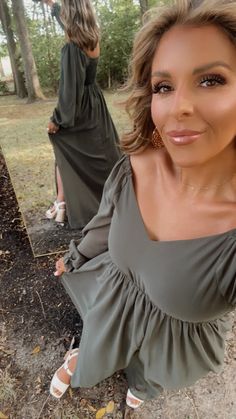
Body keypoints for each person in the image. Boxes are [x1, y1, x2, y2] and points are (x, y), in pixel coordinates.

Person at [49, 0, 236, 410]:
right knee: (101, 334)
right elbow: (103, 223)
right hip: (113, 301)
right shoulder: (136, 167)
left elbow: (67, 96)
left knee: (153, 369)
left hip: (176, 337)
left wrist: (59, 119)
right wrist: (76, 255)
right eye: (163, 87)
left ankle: (144, 383)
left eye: (211, 80)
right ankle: (82, 357)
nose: (179, 107)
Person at [45, 0, 121, 227]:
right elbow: (70, 24)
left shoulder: (72, 48)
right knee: (104, 156)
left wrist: (57, 119)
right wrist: (54, 7)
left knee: (62, 143)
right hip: (95, 104)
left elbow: (70, 92)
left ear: (71, 14)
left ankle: (63, 204)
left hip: (80, 108)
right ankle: (64, 202)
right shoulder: (91, 37)